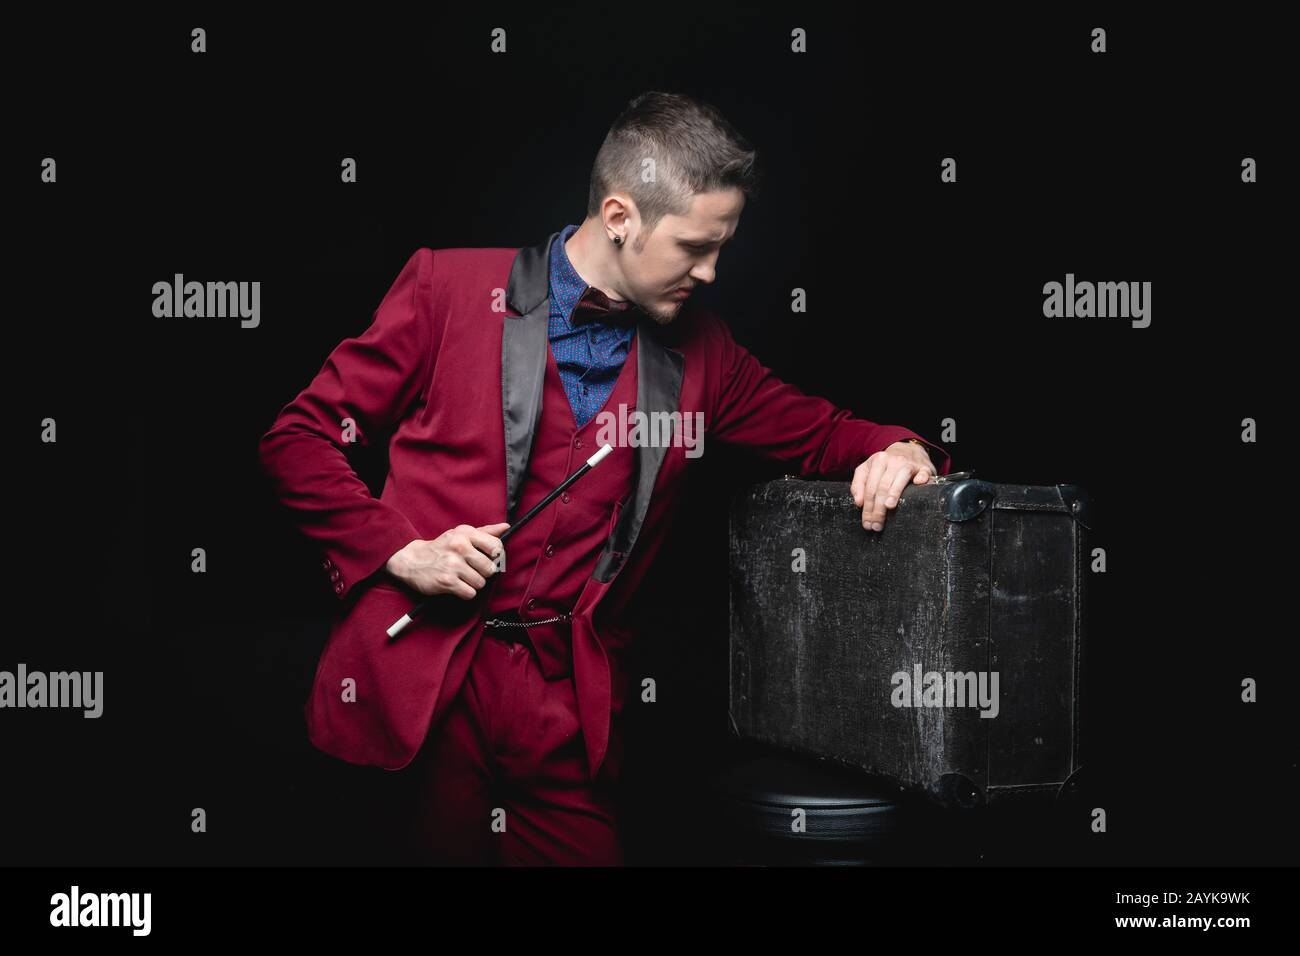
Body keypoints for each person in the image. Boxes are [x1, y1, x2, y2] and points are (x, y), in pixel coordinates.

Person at [257, 91, 952, 866]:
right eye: (694, 247)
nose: (712, 271)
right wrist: (401, 550)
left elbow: (823, 433)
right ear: (620, 216)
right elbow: (300, 438)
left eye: (721, 247)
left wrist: (903, 450)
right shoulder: (444, 289)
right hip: (418, 692)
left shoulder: (705, 352)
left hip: (565, 717)